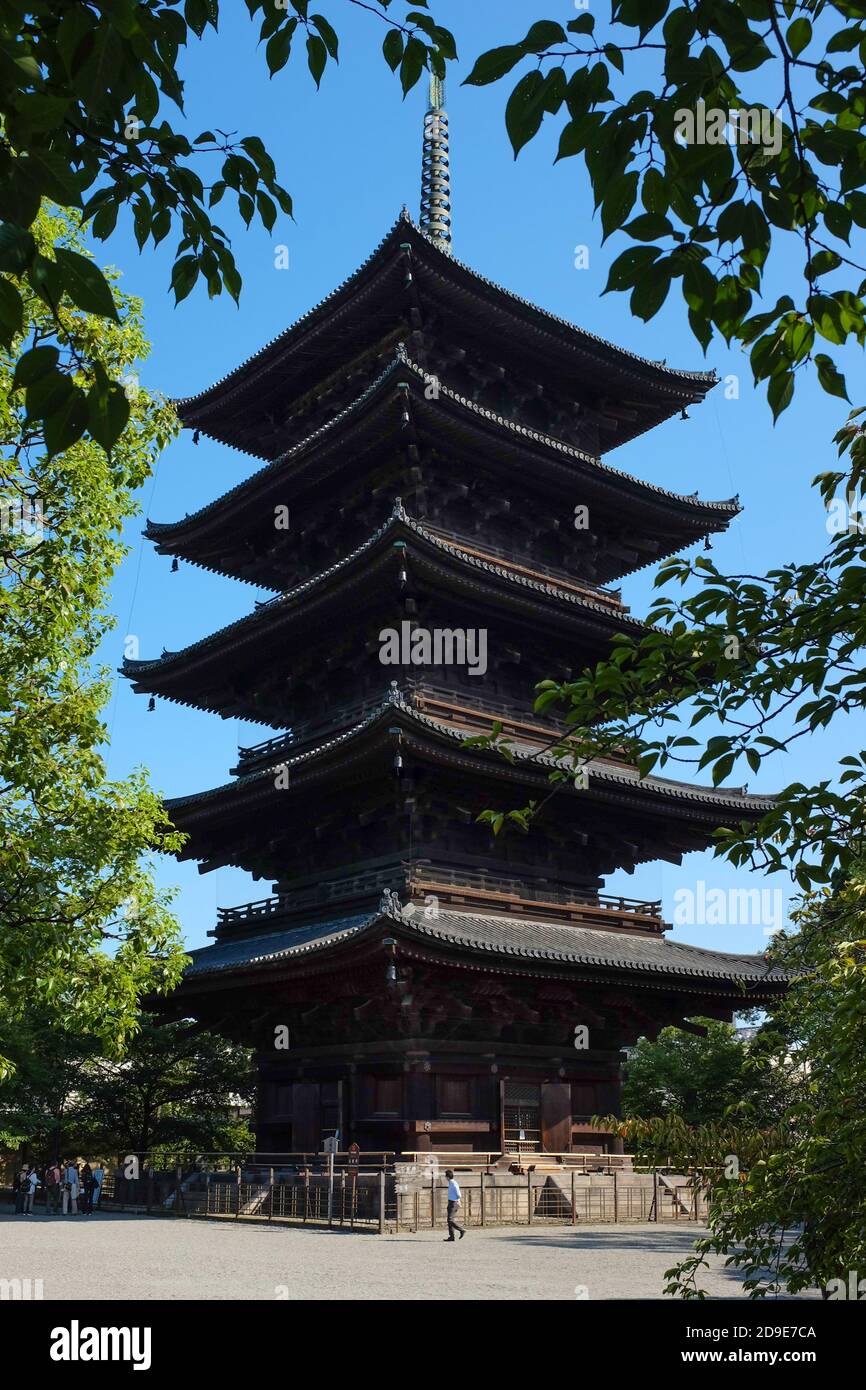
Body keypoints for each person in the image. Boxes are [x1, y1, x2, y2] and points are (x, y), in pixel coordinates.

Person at [444, 1168, 465, 1242]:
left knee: (450, 1219)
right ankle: (451, 1236)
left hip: (453, 1202)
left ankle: (461, 1230)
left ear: (448, 1177)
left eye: (445, 1176)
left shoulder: (453, 1183)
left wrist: (458, 1200)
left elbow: (458, 1193)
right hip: (451, 1202)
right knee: (450, 1220)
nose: (445, 1177)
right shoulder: (451, 1183)